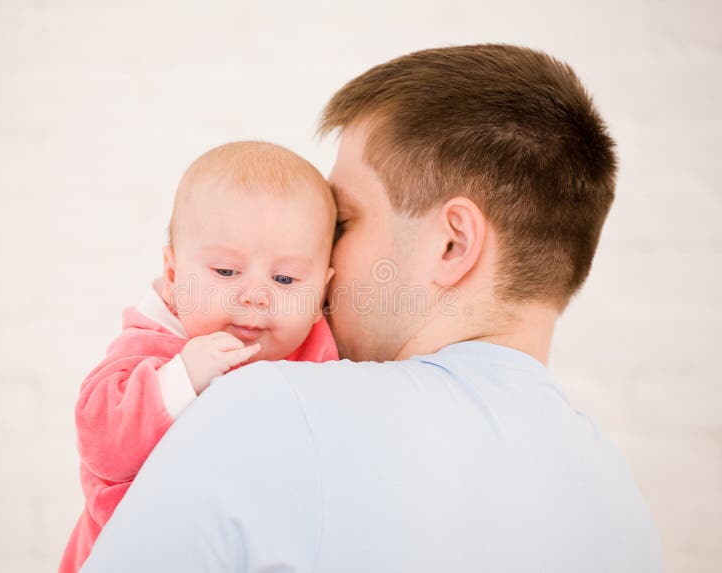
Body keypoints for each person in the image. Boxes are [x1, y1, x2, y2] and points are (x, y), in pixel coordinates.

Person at [81, 44, 664, 572]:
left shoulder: (268, 407)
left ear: (452, 244)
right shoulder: (620, 503)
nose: (323, 260)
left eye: (343, 221)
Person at [59, 141, 339, 573]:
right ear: (174, 276)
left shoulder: (318, 351)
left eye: (285, 279)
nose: (255, 295)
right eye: (226, 272)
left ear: (322, 291)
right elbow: (101, 444)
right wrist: (182, 377)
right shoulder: (152, 345)